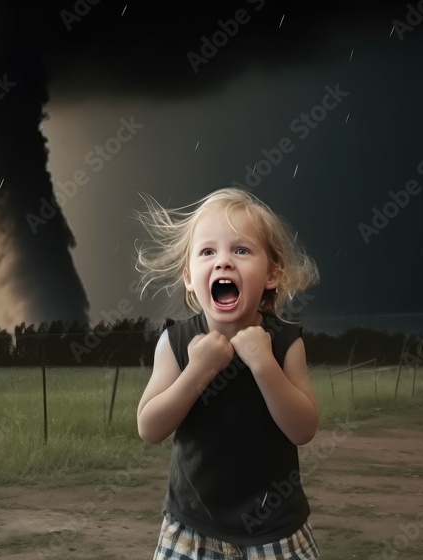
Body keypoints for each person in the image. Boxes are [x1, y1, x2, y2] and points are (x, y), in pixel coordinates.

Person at [134, 187, 321, 559]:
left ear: (272, 274)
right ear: (189, 277)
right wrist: (198, 371)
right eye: (208, 252)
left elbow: (303, 429)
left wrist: (264, 364)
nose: (223, 262)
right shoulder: (175, 342)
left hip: (275, 529)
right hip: (192, 528)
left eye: (241, 250)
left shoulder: (284, 343)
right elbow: (149, 428)